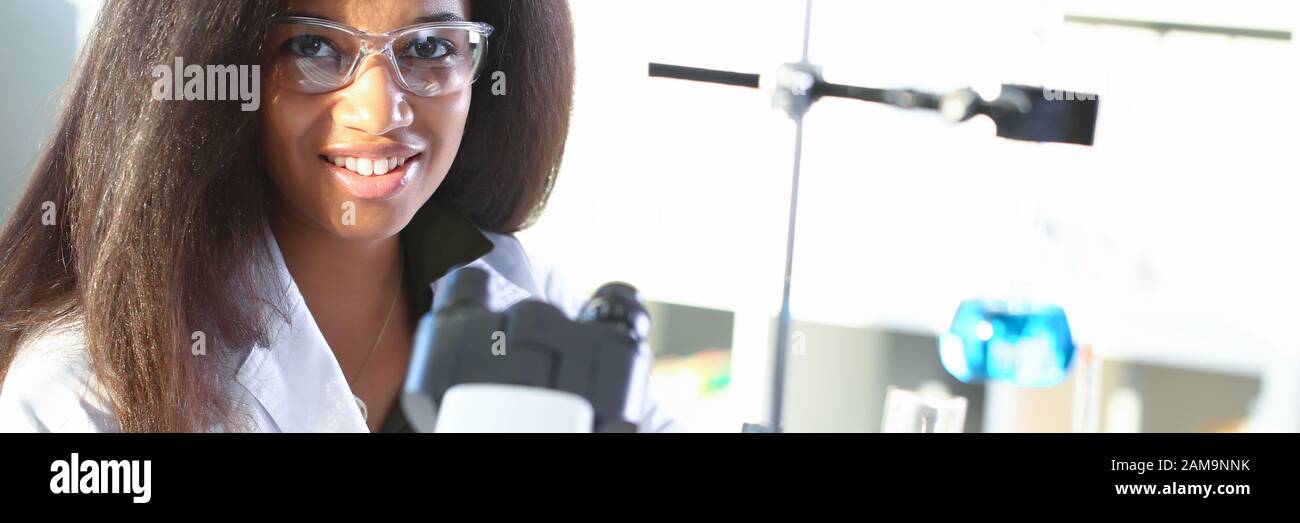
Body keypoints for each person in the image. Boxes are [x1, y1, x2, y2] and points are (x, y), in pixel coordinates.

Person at [0, 0, 677, 432]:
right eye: (314, 48)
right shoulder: (81, 392)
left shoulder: (546, 311)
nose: (380, 112)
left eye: (431, 46)